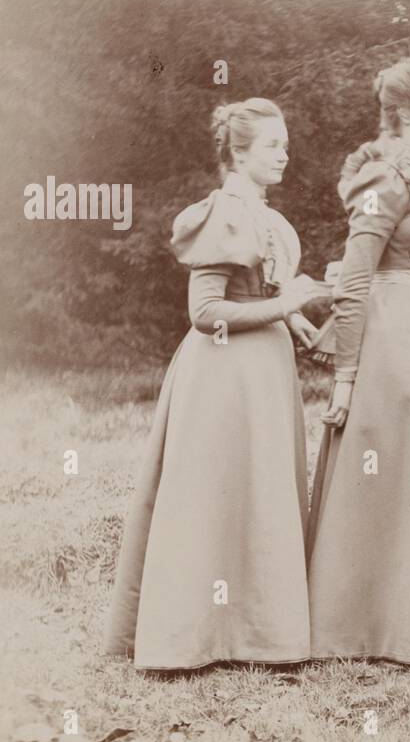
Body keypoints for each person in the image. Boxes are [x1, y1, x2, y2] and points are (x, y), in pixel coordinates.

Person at [104, 98, 326, 670]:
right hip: (223, 375)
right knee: (214, 497)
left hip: (264, 371)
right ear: (239, 153)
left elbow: (260, 295)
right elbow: (205, 312)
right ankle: (192, 639)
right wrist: (285, 305)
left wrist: (297, 321)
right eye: (272, 145)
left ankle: (260, 637)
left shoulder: (266, 217)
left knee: (258, 494)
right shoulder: (222, 215)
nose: (285, 154)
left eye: (285, 144)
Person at [305, 58, 410, 665]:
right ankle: (355, 626)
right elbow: (355, 277)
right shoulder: (386, 176)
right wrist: (345, 376)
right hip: (393, 335)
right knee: (382, 473)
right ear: (405, 113)